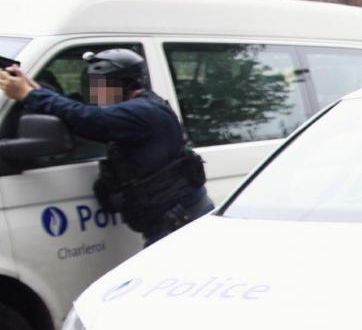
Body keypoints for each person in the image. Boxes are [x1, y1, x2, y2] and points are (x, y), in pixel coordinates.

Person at [0, 50, 211, 245]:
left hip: (179, 225)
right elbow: (76, 115)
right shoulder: (142, 106)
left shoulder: (141, 112)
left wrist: (28, 94)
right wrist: (29, 86)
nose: (95, 94)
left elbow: (85, 117)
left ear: (125, 85)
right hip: (174, 220)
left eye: (101, 86)